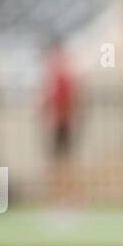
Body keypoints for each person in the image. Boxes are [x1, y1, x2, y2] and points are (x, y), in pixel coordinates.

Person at [39, 36, 79, 210]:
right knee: (58, 163)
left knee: (62, 163)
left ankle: (67, 199)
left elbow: (66, 100)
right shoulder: (55, 74)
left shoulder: (62, 75)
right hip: (58, 123)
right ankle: (61, 199)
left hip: (61, 123)